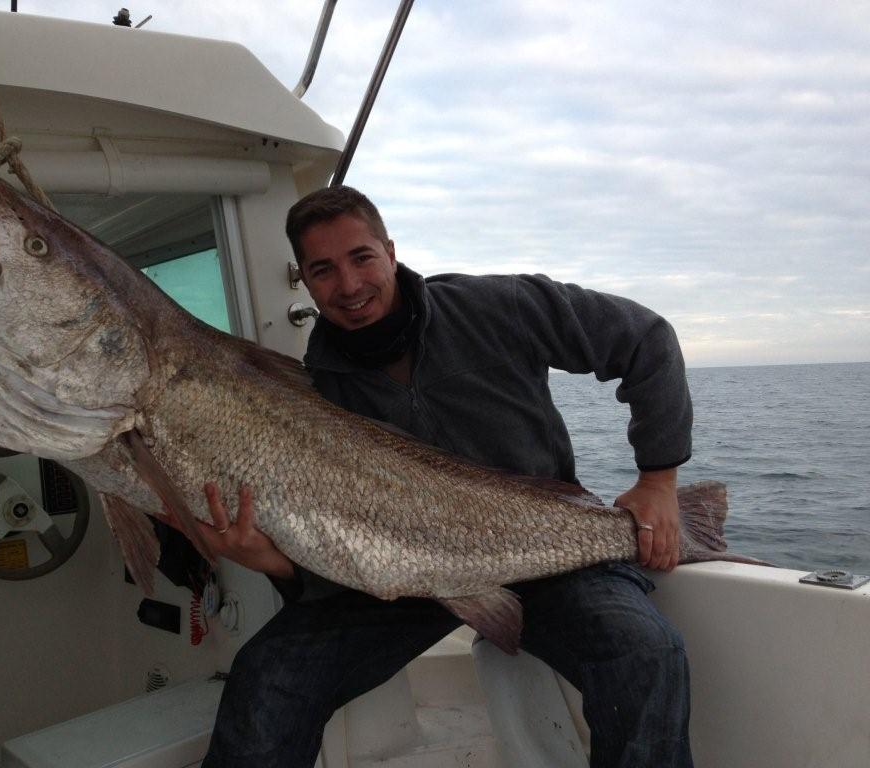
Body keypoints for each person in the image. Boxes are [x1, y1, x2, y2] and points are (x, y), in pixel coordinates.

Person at [196, 186, 695, 768]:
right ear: (305, 281)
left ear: (390, 249)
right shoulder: (315, 391)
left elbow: (645, 338)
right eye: (323, 270)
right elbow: (333, 542)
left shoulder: (498, 306)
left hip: (547, 554)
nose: (349, 285)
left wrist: (658, 480)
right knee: (267, 681)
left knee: (646, 653)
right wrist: (277, 565)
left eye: (361, 258)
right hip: (400, 580)